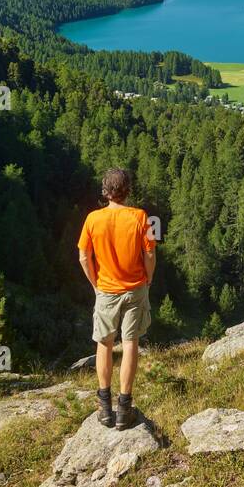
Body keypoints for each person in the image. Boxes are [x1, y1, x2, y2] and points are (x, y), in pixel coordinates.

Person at [77, 168, 156, 429]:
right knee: (130, 342)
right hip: (135, 288)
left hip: (106, 290)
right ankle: (124, 407)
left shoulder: (92, 219)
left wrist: (95, 284)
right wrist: (148, 279)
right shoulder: (141, 217)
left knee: (104, 343)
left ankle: (104, 407)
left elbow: (84, 257)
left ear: (105, 191)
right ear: (127, 190)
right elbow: (150, 254)